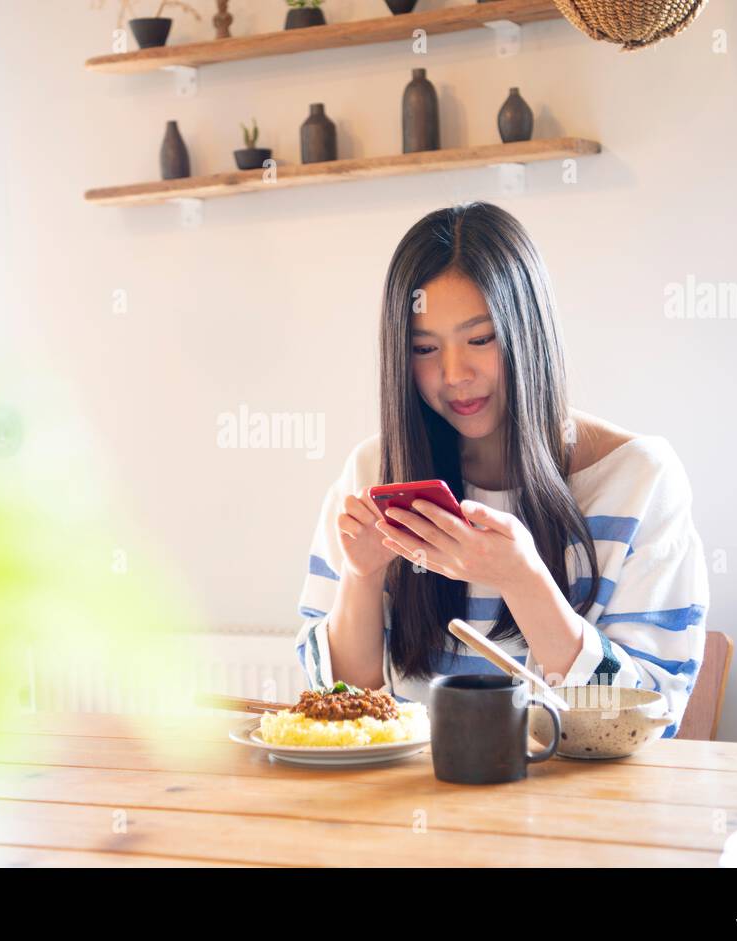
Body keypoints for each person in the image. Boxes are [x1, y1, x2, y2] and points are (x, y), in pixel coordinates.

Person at [294, 202, 710, 738]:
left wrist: (523, 579)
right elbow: (340, 710)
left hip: (584, 812)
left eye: (480, 339)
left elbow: (647, 717)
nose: (454, 374)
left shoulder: (639, 481)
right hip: (409, 806)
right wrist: (362, 576)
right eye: (424, 348)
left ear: (527, 332)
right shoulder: (375, 472)